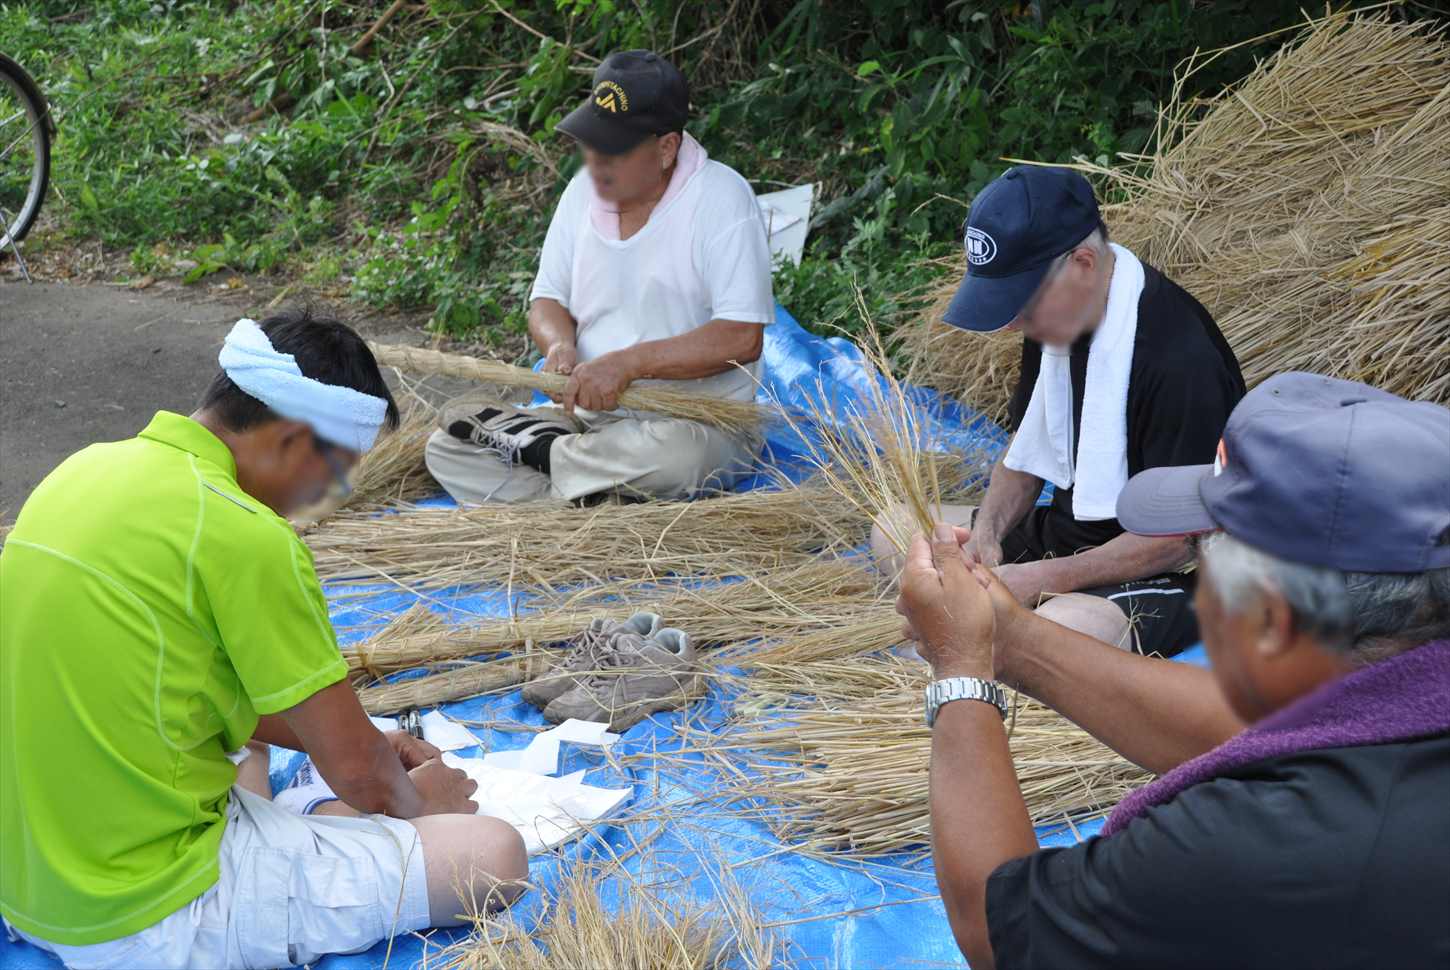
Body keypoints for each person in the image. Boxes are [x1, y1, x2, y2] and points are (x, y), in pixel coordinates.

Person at [0, 311, 527, 970]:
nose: (326, 496)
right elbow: (364, 774)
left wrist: (329, 735)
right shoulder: (243, 533)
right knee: (494, 853)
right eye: (336, 473)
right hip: (147, 917)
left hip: (34, 888)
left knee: (251, 745)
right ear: (293, 441)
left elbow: (162, 689)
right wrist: (428, 809)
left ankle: (318, 832)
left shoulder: (83, 472)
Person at [897, 372, 1450, 969]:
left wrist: (960, 671)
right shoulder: (1402, 704)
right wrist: (1009, 639)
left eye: (1204, 549)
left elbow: (1001, 926)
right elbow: (1251, 727)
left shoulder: (1266, 840)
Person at [874, 165, 1245, 657]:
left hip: (1173, 572)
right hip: (1069, 541)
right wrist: (987, 536)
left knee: (1059, 628)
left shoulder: (1179, 359)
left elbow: (1178, 541)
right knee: (895, 532)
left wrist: (1041, 579)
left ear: (1083, 263)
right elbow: (1023, 458)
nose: (1012, 326)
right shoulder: (1057, 321)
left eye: (1021, 305)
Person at [426, 49, 775, 505]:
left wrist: (626, 364)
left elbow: (740, 338)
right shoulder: (581, 193)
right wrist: (558, 345)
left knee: (679, 460)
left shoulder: (722, 200)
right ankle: (590, 493)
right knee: (446, 450)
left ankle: (550, 464)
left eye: (614, 149)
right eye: (591, 143)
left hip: (697, 424)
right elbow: (547, 302)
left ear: (666, 148)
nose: (595, 160)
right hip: (590, 420)